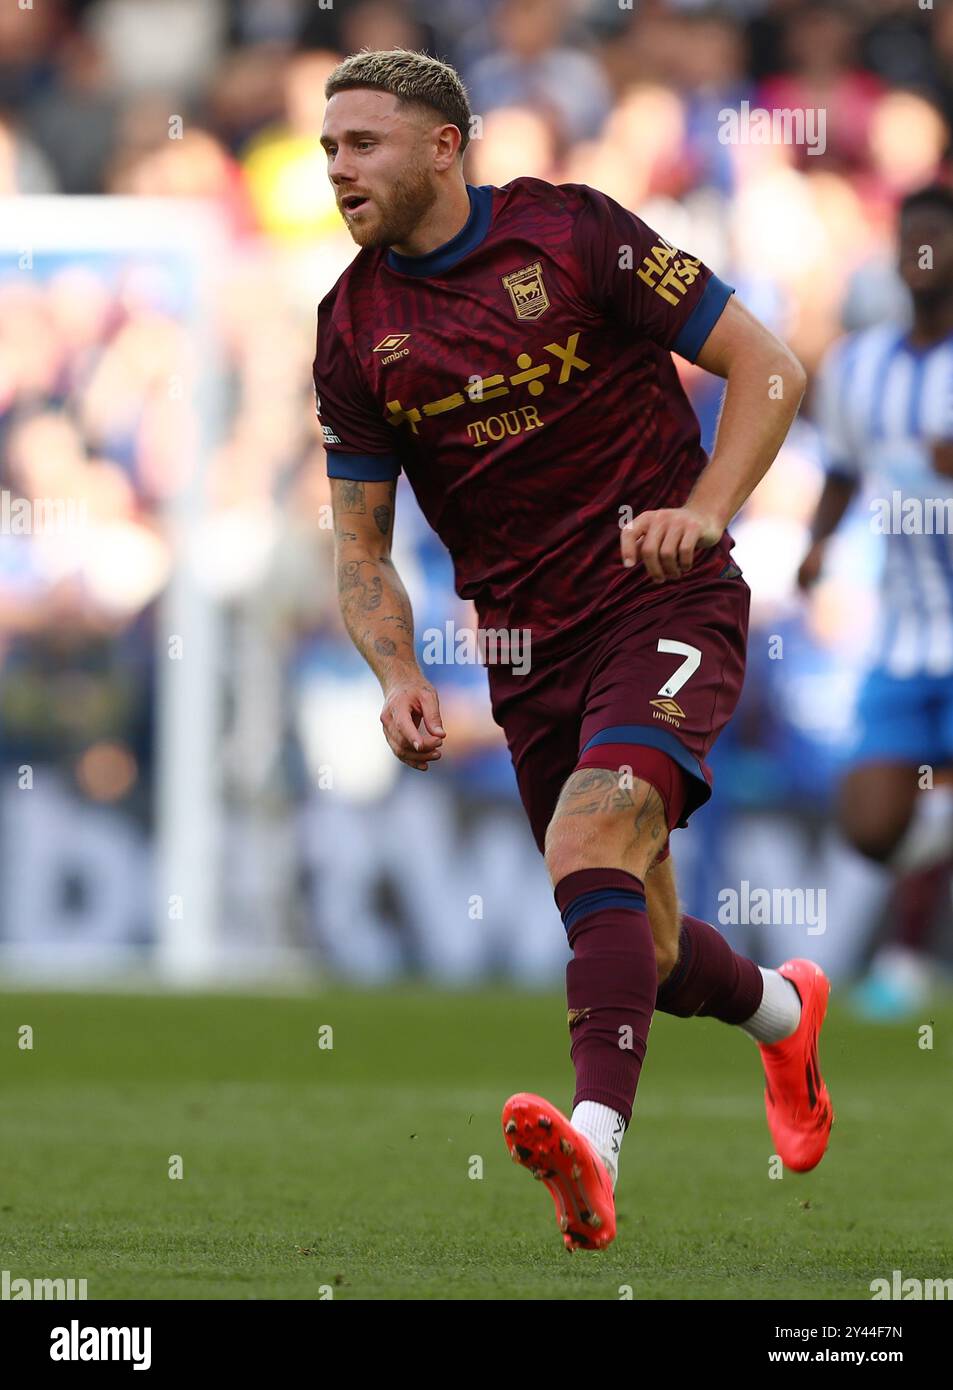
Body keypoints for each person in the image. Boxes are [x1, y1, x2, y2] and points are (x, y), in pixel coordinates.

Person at [314, 48, 830, 1252]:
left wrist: (703, 508)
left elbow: (768, 365)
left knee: (588, 833)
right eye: (329, 146)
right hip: (524, 653)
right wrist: (397, 673)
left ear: (444, 146)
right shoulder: (352, 330)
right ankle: (777, 1014)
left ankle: (591, 1147)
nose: (337, 167)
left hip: (665, 597)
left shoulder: (571, 237)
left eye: (362, 143)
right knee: (638, 949)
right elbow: (357, 550)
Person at [800, 183, 953, 1020]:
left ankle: (904, 957)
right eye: (910, 238)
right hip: (901, 637)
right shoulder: (859, 366)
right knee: (869, 825)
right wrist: (819, 545)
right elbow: (842, 469)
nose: (919, 253)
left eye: (936, 237)